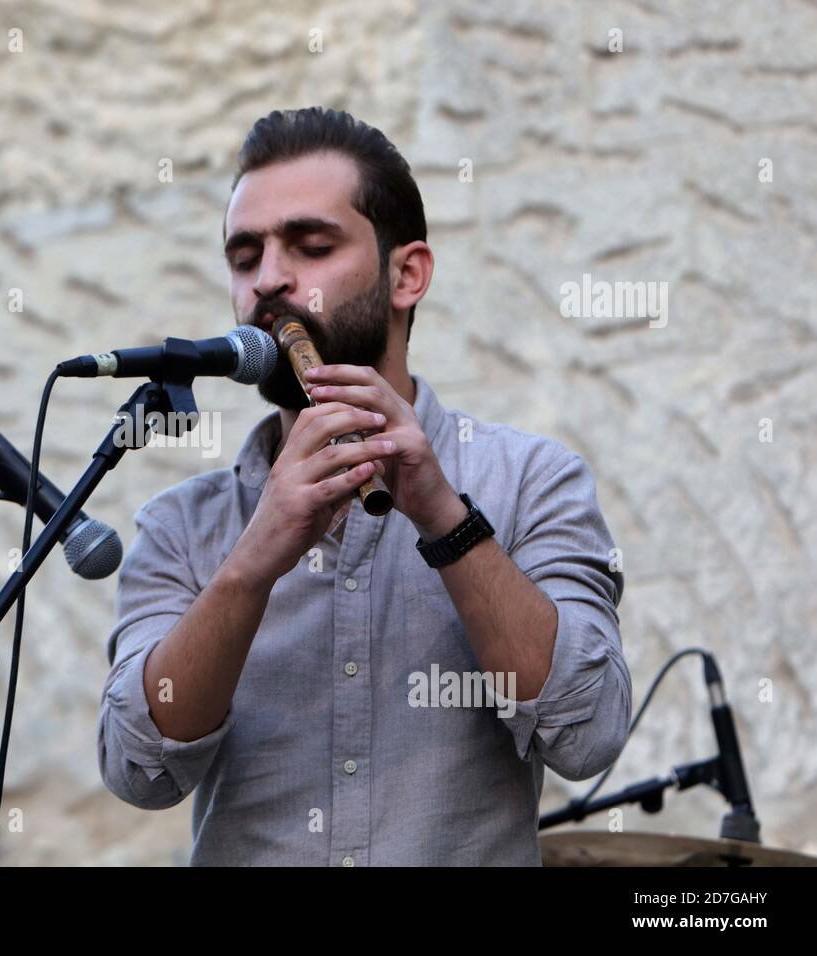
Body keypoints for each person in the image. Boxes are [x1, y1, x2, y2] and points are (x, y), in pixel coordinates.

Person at [97, 107, 632, 865]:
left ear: (406, 274)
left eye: (312, 247)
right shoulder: (182, 525)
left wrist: (443, 515)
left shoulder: (531, 481)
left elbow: (587, 735)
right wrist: (252, 564)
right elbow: (137, 769)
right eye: (245, 257)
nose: (270, 280)